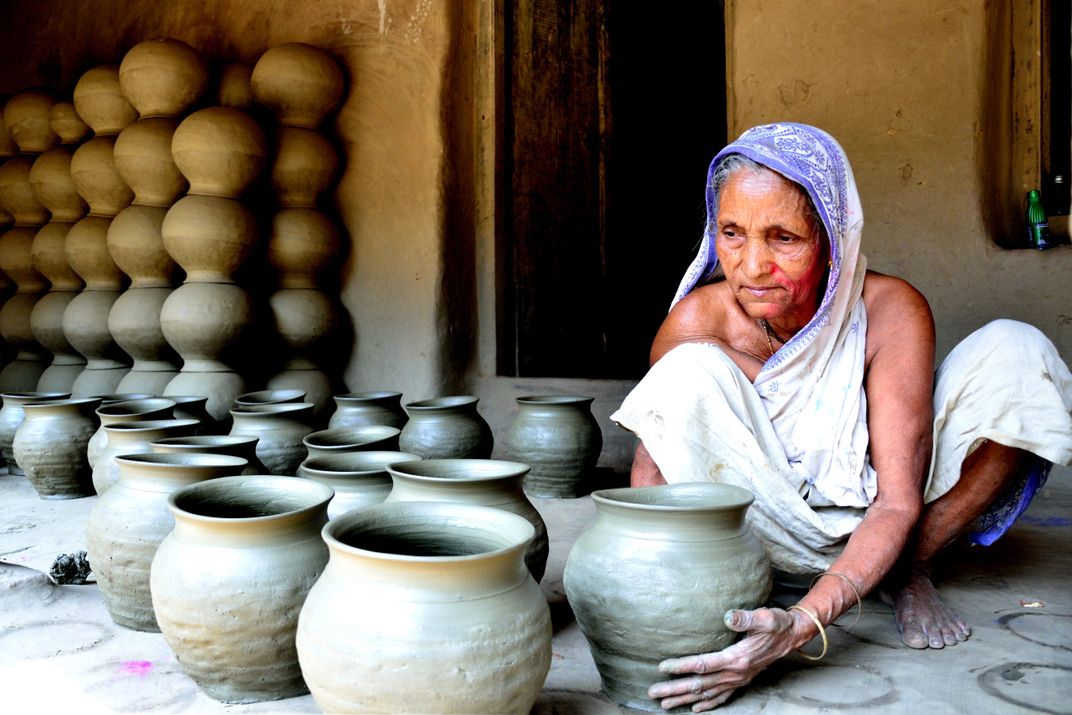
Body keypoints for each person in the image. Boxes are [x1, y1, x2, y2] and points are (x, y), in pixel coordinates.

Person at [609, 122, 1072, 712]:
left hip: (894, 519)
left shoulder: (889, 310)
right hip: (766, 527)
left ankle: (906, 570)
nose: (752, 266)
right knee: (678, 378)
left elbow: (897, 501)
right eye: (732, 234)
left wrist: (800, 625)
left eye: (783, 238)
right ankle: (819, 576)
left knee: (1017, 353)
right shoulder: (698, 326)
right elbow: (658, 467)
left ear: (833, 239)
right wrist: (650, 595)